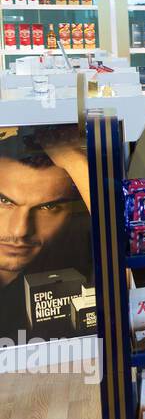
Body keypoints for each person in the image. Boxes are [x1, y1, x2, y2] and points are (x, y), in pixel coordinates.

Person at [0, 125, 93, 339]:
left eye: (48, 208)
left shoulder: (76, 255)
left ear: (72, 212)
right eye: (4, 201)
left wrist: (73, 161)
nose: (20, 230)